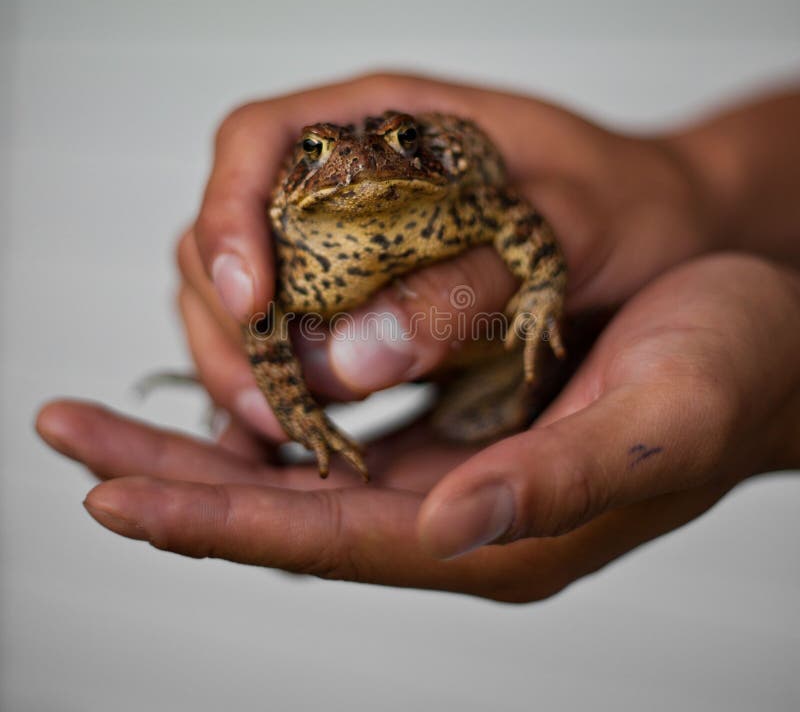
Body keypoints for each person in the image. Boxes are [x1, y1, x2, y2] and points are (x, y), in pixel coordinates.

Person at [36, 73, 800, 602]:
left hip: (501, 367)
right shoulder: (298, 252)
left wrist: (543, 288)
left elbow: (512, 215)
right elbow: (262, 323)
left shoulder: (455, 207)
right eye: (316, 152)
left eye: (403, 142)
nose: (360, 164)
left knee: (489, 400)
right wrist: (301, 419)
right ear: (298, 175)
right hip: (378, 312)